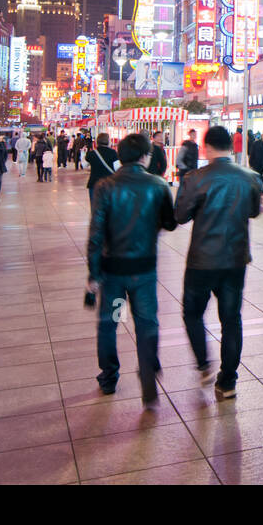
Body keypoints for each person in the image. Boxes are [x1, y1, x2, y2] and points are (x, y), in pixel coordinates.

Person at [86, 133, 177, 404]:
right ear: (145, 157)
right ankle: (147, 371)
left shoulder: (105, 186)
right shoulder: (158, 185)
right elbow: (171, 223)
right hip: (144, 270)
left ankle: (109, 376)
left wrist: (93, 273)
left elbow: (96, 234)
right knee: (147, 322)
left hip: (113, 272)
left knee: (110, 322)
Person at [174, 125, 262, 399]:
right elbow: (254, 212)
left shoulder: (195, 178)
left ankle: (203, 364)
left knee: (192, 313)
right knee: (231, 320)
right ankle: (228, 382)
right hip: (235, 260)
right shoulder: (250, 177)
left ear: (207, 147)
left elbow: (180, 216)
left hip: (202, 260)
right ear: (230, 146)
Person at [86, 133, 119, 205]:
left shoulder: (92, 153)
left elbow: (84, 165)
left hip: (94, 184)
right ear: (108, 141)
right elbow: (117, 168)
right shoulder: (113, 153)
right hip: (109, 184)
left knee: (95, 208)